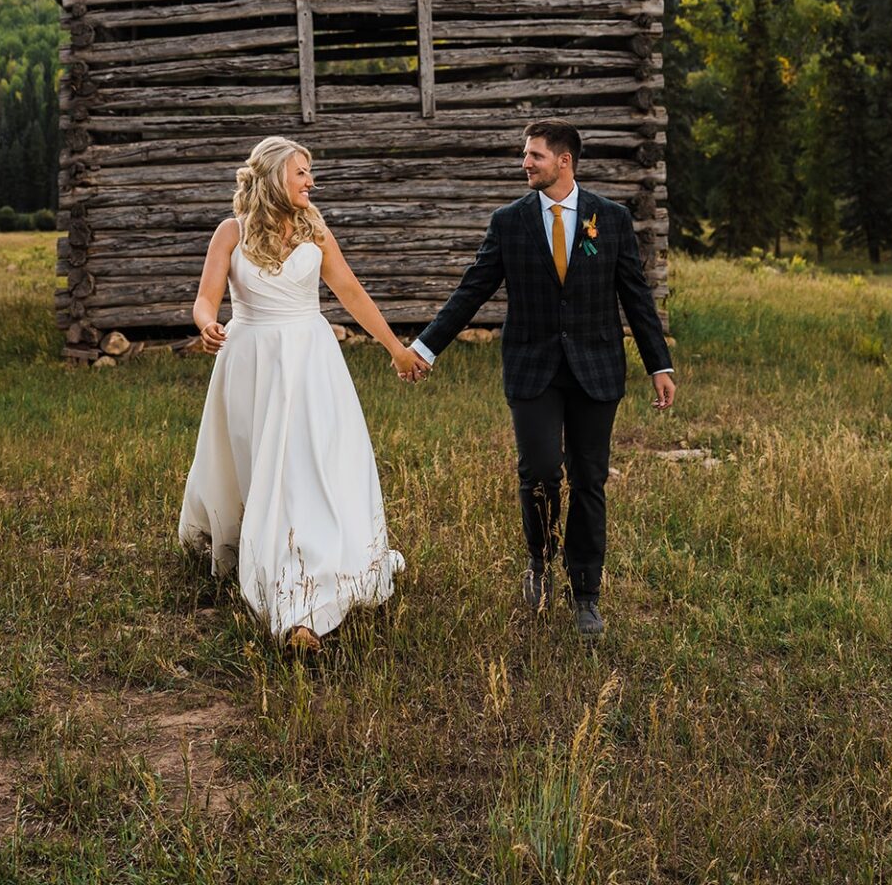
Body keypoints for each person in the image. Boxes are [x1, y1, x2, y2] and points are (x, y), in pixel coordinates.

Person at [405, 120, 676, 640]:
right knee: (540, 474)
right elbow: (472, 290)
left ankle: (587, 594)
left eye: (534, 156)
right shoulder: (510, 222)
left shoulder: (611, 219)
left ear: (564, 160)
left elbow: (636, 298)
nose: (525, 163)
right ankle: (539, 561)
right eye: (524, 155)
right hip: (532, 368)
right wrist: (424, 347)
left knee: (590, 480)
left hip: (596, 369)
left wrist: (657, 364)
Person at [178, 136, 418, 651]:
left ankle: (304, 603)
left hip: (311, 363)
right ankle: (273, 571)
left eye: (311, 173)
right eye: (302, 172)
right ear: (272, 177)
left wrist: (395, 348)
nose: (311, 181)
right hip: (252, 362)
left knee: (309, 466)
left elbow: (350, 291)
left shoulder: (315, 228)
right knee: (266, 469)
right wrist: (206, 325)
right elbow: (204, 298)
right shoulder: (231, 232)